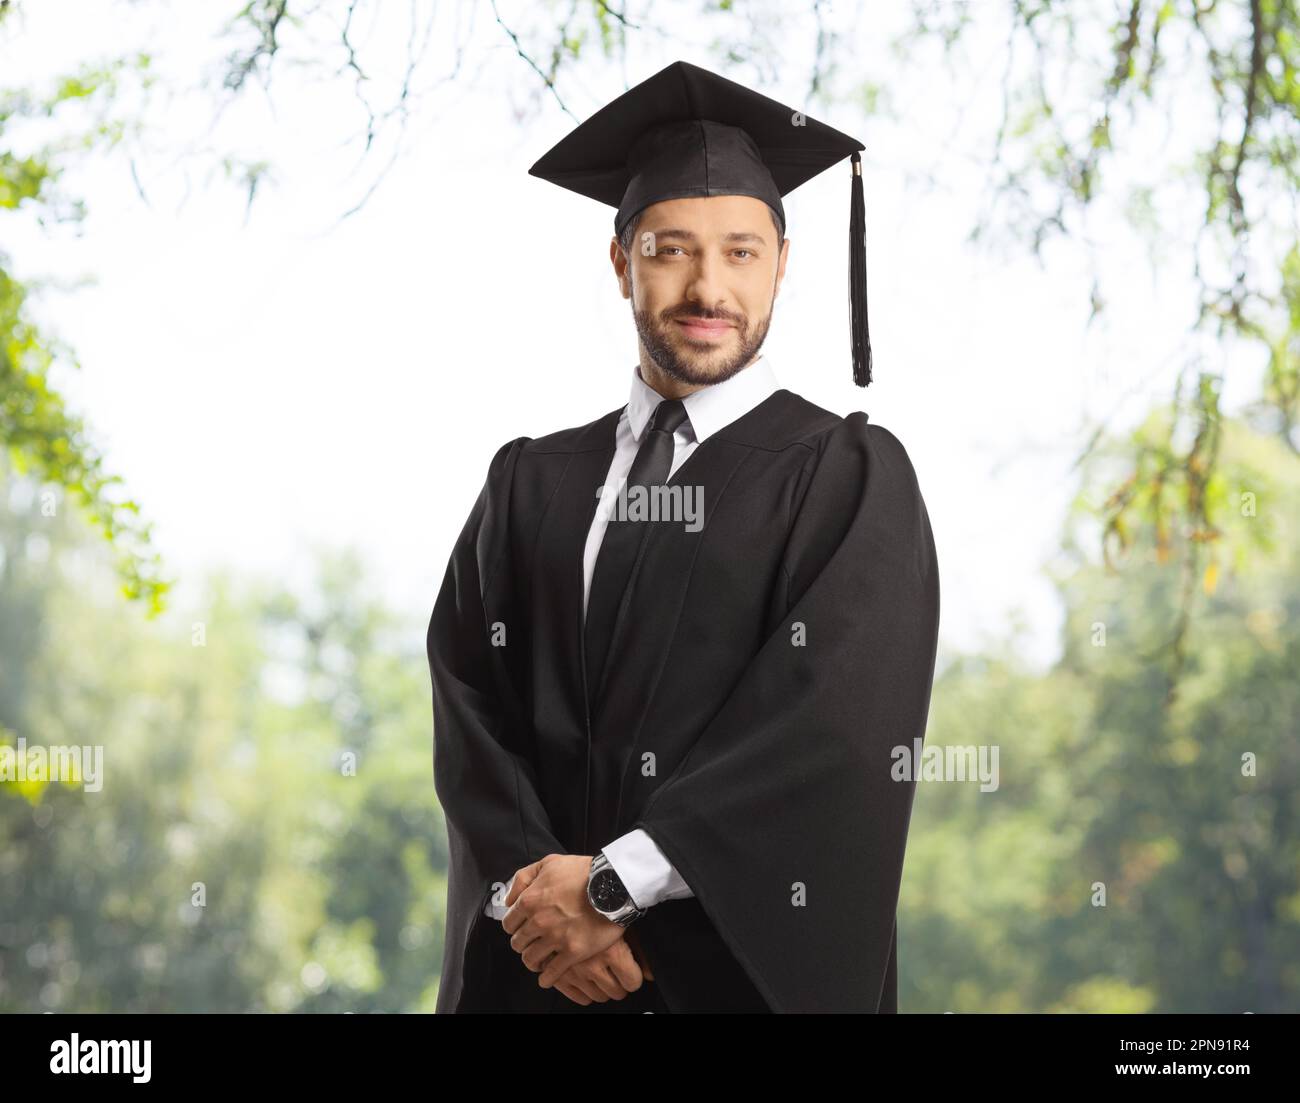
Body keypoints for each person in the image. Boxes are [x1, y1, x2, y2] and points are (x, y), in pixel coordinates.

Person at [428, 59, 940, 1013]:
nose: (710, 286)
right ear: (621, 260)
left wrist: (614, 890)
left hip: (722, 985)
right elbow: (470, 716)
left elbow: (832, 735)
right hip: (539, 983)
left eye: (742, 251)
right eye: (672, 249)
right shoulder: (530, 482)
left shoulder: (845, 478)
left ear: (783, 262)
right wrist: (539, 909)